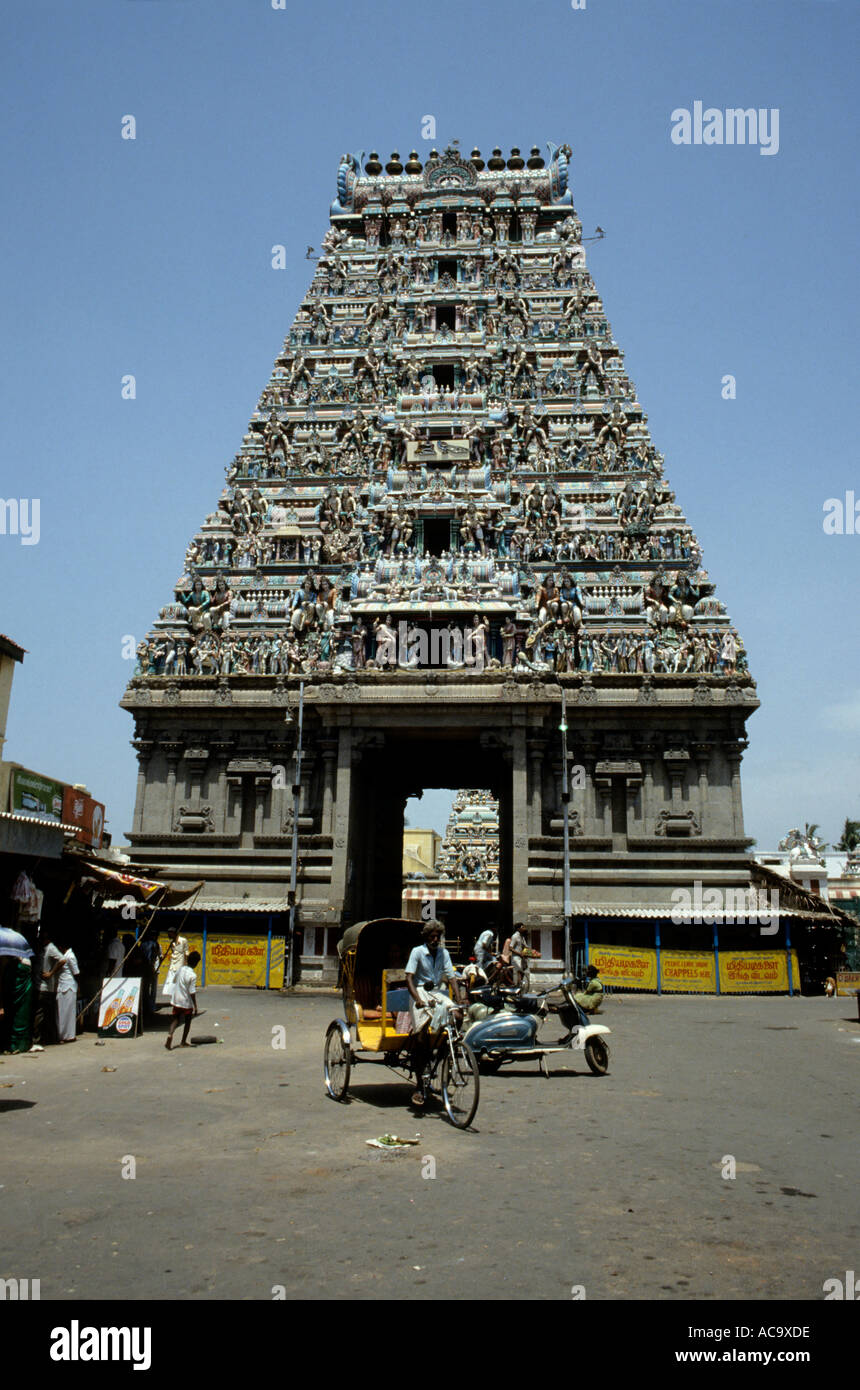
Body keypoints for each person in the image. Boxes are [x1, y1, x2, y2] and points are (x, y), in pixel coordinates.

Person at [405, 922, 464, 1107]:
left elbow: (452, 977)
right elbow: (409, 977)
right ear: (426, 936)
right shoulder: (417, 952)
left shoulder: (444, 953)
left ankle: (445, 1050)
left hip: (438, 993)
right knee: (421, 1036)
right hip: (420, 993)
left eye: (438, 935)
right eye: (432, 936)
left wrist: (459, 998)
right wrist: (417, 999)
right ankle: (419, 1084)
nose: (435, 939)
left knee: (458, 1017)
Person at [165, 950, 201, 1050]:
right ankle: (183, 1041)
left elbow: (174, 980)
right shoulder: (193, 975)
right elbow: (192, 992)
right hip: (186, 1002)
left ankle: (170, 1035)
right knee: (187, 1022)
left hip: (176, 999)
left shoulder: (181, 969)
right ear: (196, 963)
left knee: (175, 1020)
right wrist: (195, 1006)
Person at [162, 926, 189, 1003]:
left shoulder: (183, 940)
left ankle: (179, 999)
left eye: (170, 934)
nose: (168, 936)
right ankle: (173, 998)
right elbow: (173, 952)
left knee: (178, 982)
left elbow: (186, 952)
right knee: (171, 982)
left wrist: (186, 965)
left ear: (174, 934)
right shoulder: (172, 943)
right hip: (173, 964)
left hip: (180, 963)